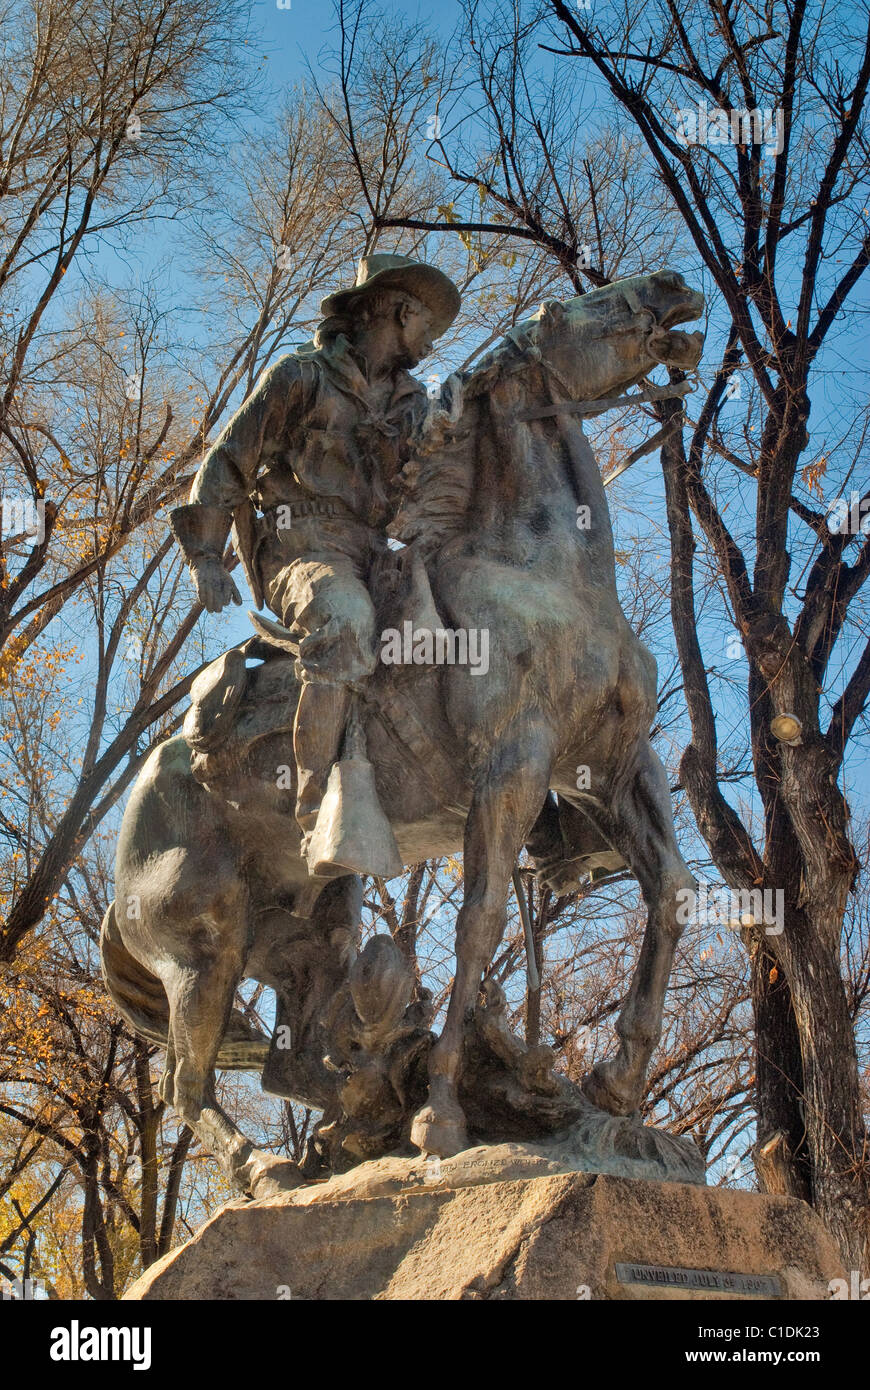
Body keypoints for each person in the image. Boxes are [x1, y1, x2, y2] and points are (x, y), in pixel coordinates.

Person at [170, 253, 461, 856]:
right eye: (427, 327)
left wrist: (440, 440)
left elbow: (416, 486)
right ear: (399, 311)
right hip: (300, 545)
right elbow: (229, 462)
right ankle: (314, 809)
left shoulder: (411, 403)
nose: (432, 343)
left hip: (374, 550)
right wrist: (204, 555)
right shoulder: (301, 376)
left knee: (471, 618)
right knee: (347, 622)